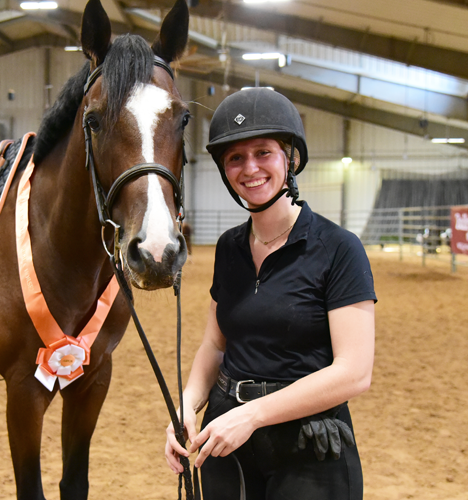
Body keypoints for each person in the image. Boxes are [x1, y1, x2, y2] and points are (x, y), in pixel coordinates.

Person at [163, 88, 376, 500]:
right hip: (227, 438)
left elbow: (354, 371)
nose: (250, 168)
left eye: (264, 152)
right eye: (236, 158)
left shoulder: (338, 248)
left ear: (289, 158)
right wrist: (187, 405)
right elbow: (214, 343)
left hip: (308, 443)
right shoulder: (228, 248)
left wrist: (253, 416)